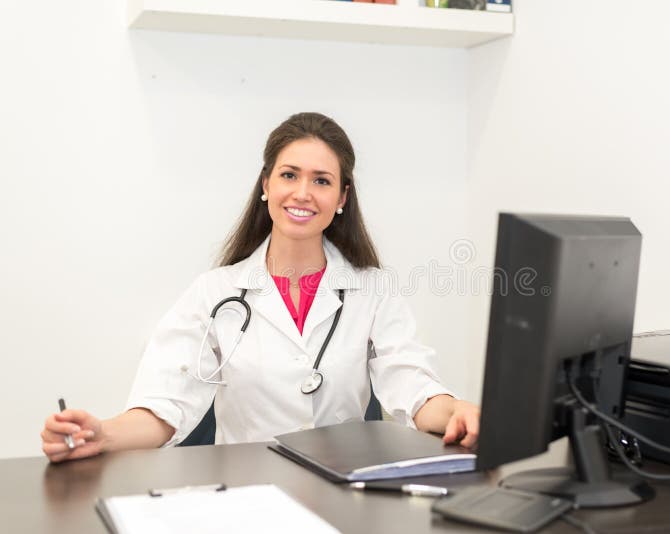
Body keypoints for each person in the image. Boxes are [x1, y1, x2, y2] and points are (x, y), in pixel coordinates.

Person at [41, 112, 480, 463]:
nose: (303, 193)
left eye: (322, 181)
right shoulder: (215, 293)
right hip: (246, 499)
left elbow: (414, 389)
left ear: (343, 198)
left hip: (342, 497)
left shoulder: (374, 290)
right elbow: (164, 406)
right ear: (266, 184)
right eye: (289, 175)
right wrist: (101, 434)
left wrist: (458, 410)